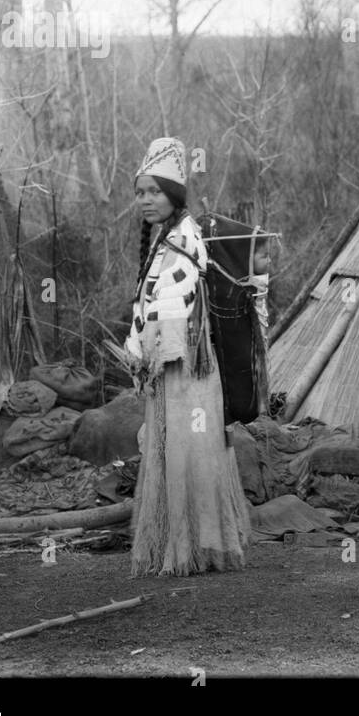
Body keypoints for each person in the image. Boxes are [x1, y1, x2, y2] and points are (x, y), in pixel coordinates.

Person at [123, 137, 251, 576]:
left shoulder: (184, 237)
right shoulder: (167, 237)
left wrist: (142, 355)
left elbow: (170, 314)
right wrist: (141, 350)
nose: (145, 200)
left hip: (184, 372)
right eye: (140, 192)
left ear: (173, 194)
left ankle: (193, 545)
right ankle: (187, 543)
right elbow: (150, 307)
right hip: (172, 371)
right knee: (175, 450)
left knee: (188, 451)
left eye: (154, 191)